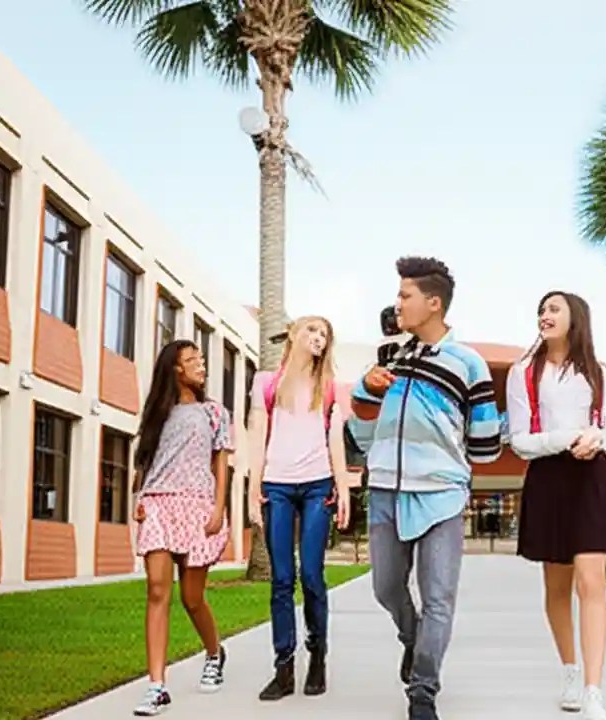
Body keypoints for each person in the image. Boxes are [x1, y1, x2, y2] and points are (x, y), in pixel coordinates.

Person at [347, 256, 502, 720]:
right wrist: (367, 385)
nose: (397, 304)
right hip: (385, 491)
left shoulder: (469, 363)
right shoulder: (392, 355)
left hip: (440, 494)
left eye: (405, 295)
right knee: (386, 588)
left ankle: (423, 692)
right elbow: (361, 419)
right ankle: (412, 641)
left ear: (433, 303)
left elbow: (487, 444)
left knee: (438, 598)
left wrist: (449, 456)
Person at [505, 290, 606, 720]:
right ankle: (570, 669)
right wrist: (567, 438)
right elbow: (520, 439)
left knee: (592, 581)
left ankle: (594, 688)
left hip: (592, 478)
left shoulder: (601, 372)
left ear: (576, 316)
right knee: (557, 586)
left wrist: (593, 438)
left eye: (554, 308)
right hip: (548, 476)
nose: (545, 315)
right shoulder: (523, 373)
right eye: (541, 309)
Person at [247, 316, 352, 701]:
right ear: (293, 333)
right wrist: (252, 488)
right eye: (311, 329)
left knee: (311, 574)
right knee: (280, 580)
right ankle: (283, 667)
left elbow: (335, 439)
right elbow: (257, 436)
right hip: (276, 485)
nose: (318, 337)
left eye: (324, 334)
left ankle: (318, 655)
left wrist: (342, 488)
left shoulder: (329, 388)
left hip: (316, 485)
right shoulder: (265, 383)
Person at [129, 339, 234, 717]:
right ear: (175, 369)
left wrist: (219, 508)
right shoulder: (157, 414)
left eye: (200, 359)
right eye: (193, 360)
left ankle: (214, 653)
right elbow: (143, 464)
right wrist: (138, 500)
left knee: (192, 597)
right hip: (157, 503)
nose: (201, 365)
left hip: (197, 504)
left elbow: (222, 465)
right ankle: (157, 686)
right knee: (157, 591)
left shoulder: (214, 413)